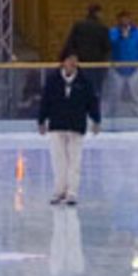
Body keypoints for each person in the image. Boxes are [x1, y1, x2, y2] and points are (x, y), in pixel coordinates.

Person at [37, 51, 101, 205]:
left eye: (75, 61)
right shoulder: (53, 81)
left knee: (74, 161)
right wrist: (41, 121)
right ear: (63, 62)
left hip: (76, 126)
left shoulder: (84, 82)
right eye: (70, 60)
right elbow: (45, 101)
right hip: (57, 126)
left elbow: (92, 102)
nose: (73, 64)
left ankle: (72, 192)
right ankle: (59, 191)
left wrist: (96, 120)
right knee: (58, 161)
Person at [60, 3, 112, 99]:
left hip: (80, 64)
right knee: (95, 92)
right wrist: (105, 65)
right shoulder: (102, 28)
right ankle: (94, 110)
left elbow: (70, 44)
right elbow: (107, 48)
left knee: (79, 90)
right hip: (96, 66)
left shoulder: (79, 26)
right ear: (98, 13)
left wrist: (69, 57)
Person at [108, 9, 138, 118]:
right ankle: (112, 113)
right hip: (117, 68)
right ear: (118, 20)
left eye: (127, 18)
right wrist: (121, 36)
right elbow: (110, 45)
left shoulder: (137, 32)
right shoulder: (113, 32)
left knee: (135, 93)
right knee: (115, 93)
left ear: (130, 19)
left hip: (134, 68)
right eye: (122, 19)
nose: (125, 21)